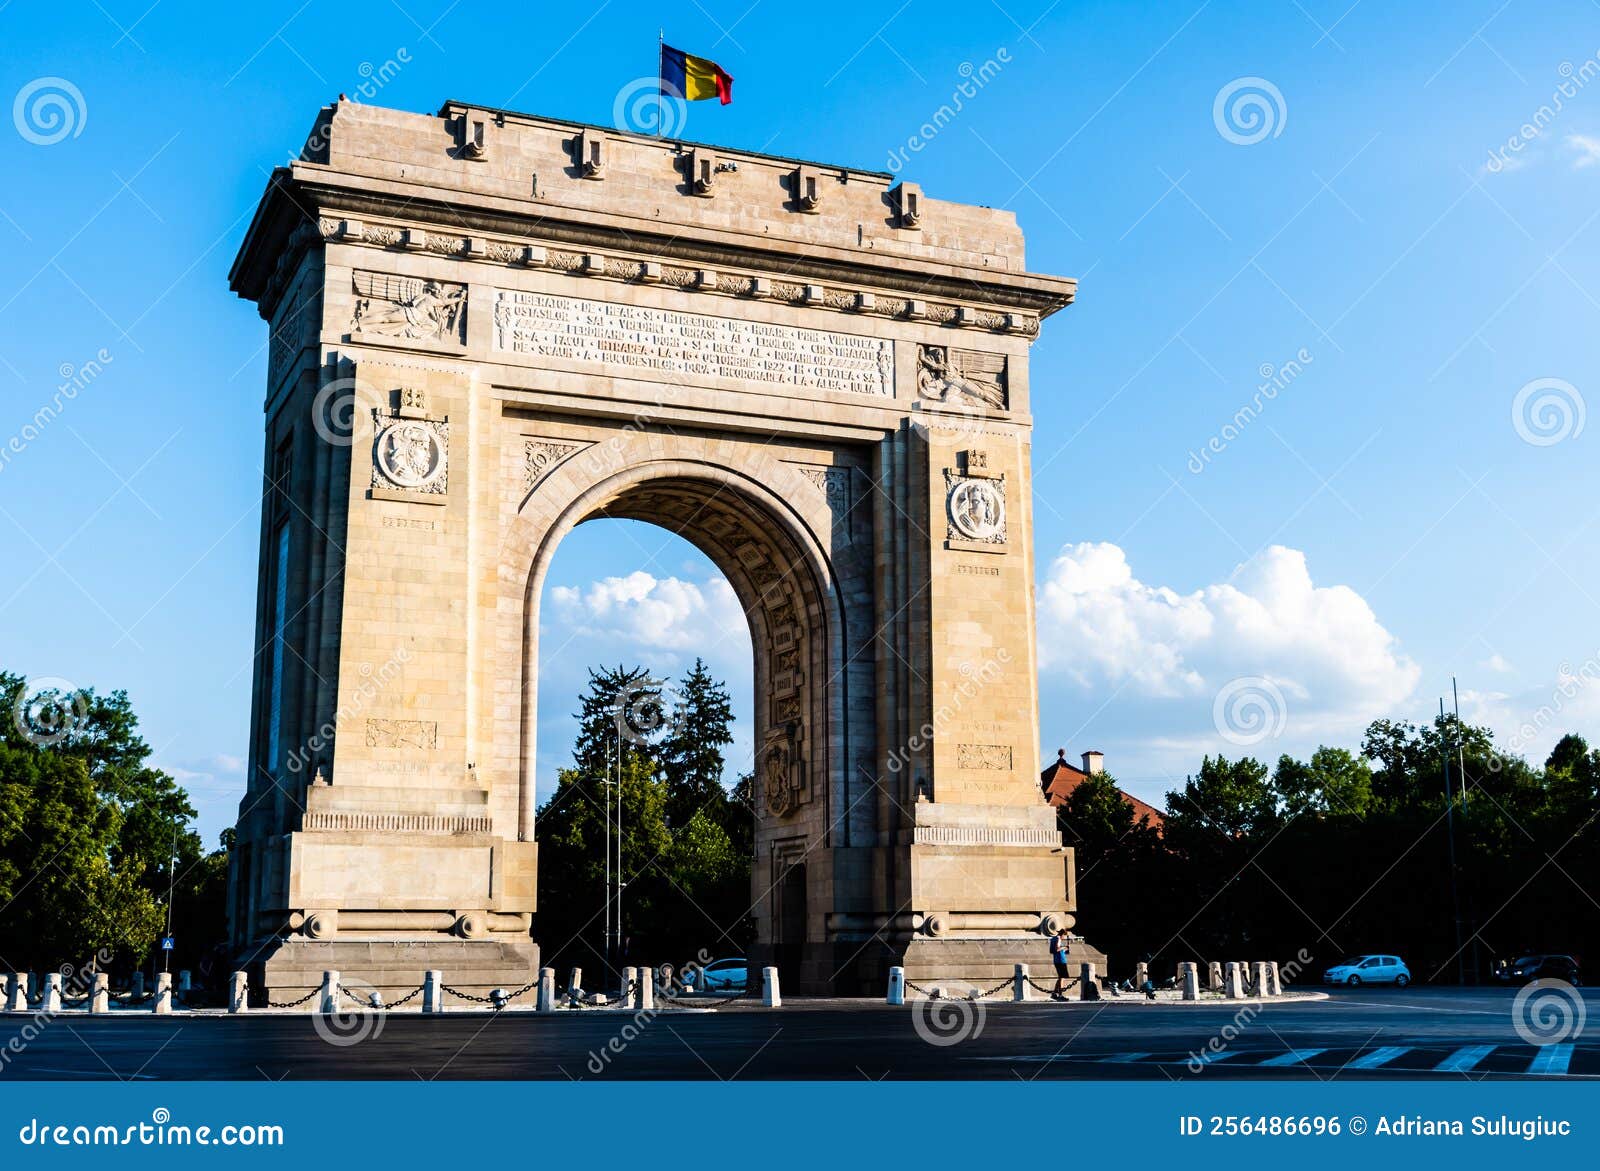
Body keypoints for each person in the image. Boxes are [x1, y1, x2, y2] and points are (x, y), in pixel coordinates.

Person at [1050, 928, 1073, 1000]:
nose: (1064, 938)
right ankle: (1060, 995)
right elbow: (1057, 949)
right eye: (1064, 936)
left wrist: (1064, 949)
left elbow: (1052, 951)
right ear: (1062, 934)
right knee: (1062, 978)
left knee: (1060, 977)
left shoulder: (1053, 939)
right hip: (1061, 960)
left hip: (1056, 960)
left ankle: (1054, 993)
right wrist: (1065, 947)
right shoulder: (1058, 938)